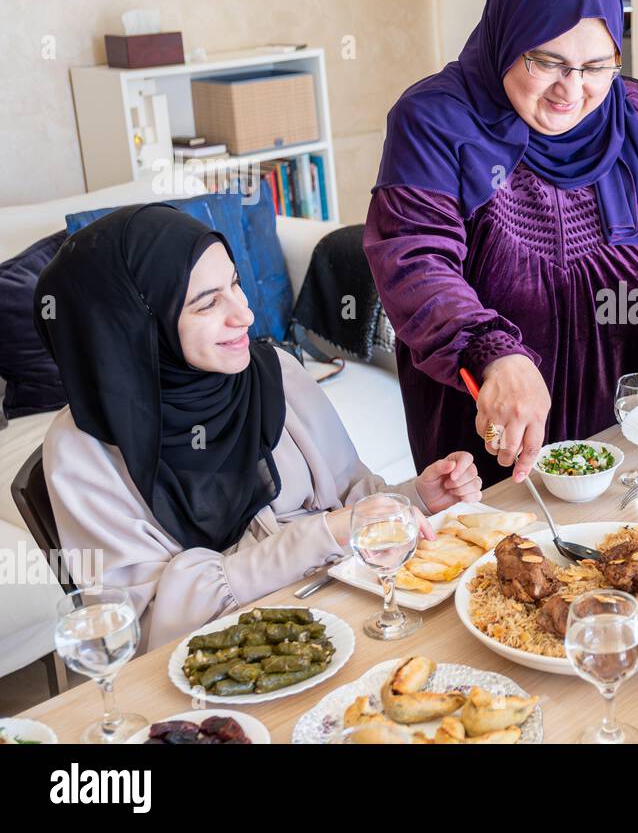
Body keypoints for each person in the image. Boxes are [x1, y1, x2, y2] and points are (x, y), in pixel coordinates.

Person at [364, 0, 638, 487]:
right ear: (509, 37)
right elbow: (415, 261)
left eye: (596, 66)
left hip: (617, 425)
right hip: (485, 428)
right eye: (548, 62)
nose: (572, 90)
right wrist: (495, 355)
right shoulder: (435, 121)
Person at [36, 205, 482, 650]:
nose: (244, 315)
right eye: (208, 303)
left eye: (234, 284)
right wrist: (322, 535)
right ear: (134, 327)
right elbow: (144, 628)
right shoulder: (82, 449)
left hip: (349, 617)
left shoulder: (273, 373)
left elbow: (352, 497)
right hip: (227, 665)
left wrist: (415, 498)